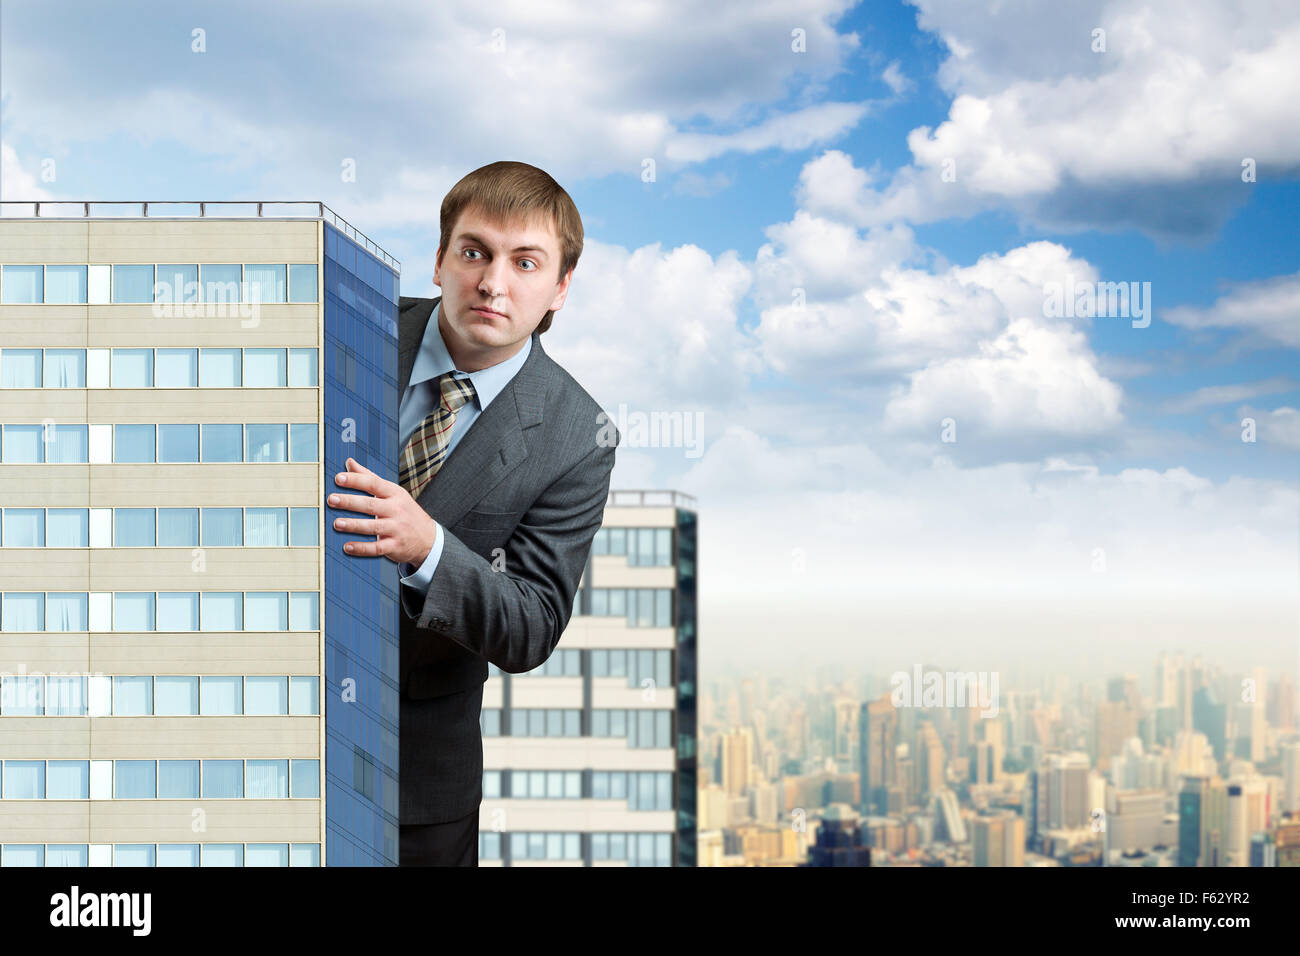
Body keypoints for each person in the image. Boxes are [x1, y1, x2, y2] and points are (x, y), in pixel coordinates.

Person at [325, 161, 619, 865]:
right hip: (259, 736)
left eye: (525, 262)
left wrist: (429, 548)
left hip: (415, 776)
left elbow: (531, 625)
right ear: (439, 259)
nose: (493, 282)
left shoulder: (577, 437)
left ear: (560, 288)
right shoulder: (342, 323)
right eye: (474, 252)